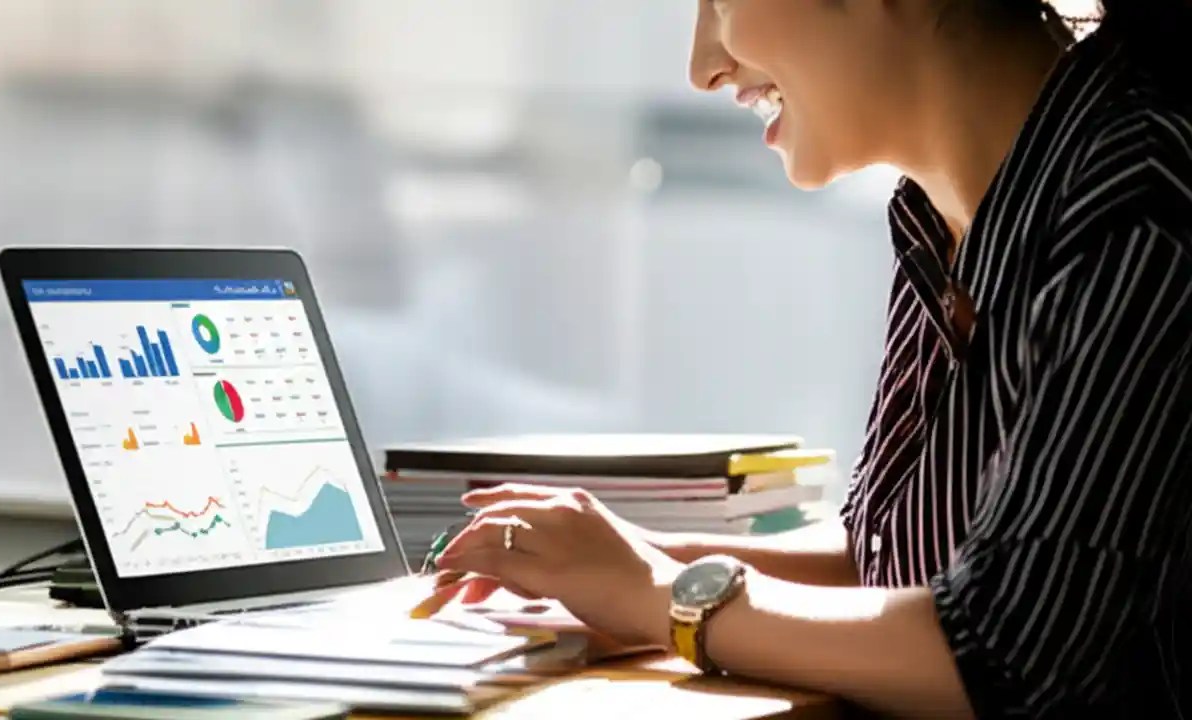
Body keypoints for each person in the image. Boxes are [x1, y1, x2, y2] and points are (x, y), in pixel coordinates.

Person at [426, 1, 1192, 717]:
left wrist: (664, 596)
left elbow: (1009, 647)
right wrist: (609, 565)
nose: (704, 66)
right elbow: (886, 555)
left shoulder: (1138, 204)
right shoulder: (947, 219)